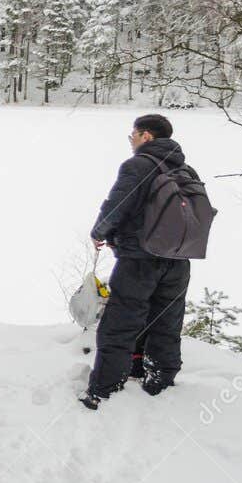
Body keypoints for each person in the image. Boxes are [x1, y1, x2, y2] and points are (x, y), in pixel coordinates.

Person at [81, 114, 196, 410]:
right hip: (179, 260)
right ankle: (160, 381)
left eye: (133, 134)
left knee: (121, 322)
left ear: (147, 136)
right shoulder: (186, 169)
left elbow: (118, 203)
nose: (131, 139)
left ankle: (104, 389)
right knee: (166, 323)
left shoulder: (138, 165)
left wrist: (99, 232)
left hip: (140, 260)